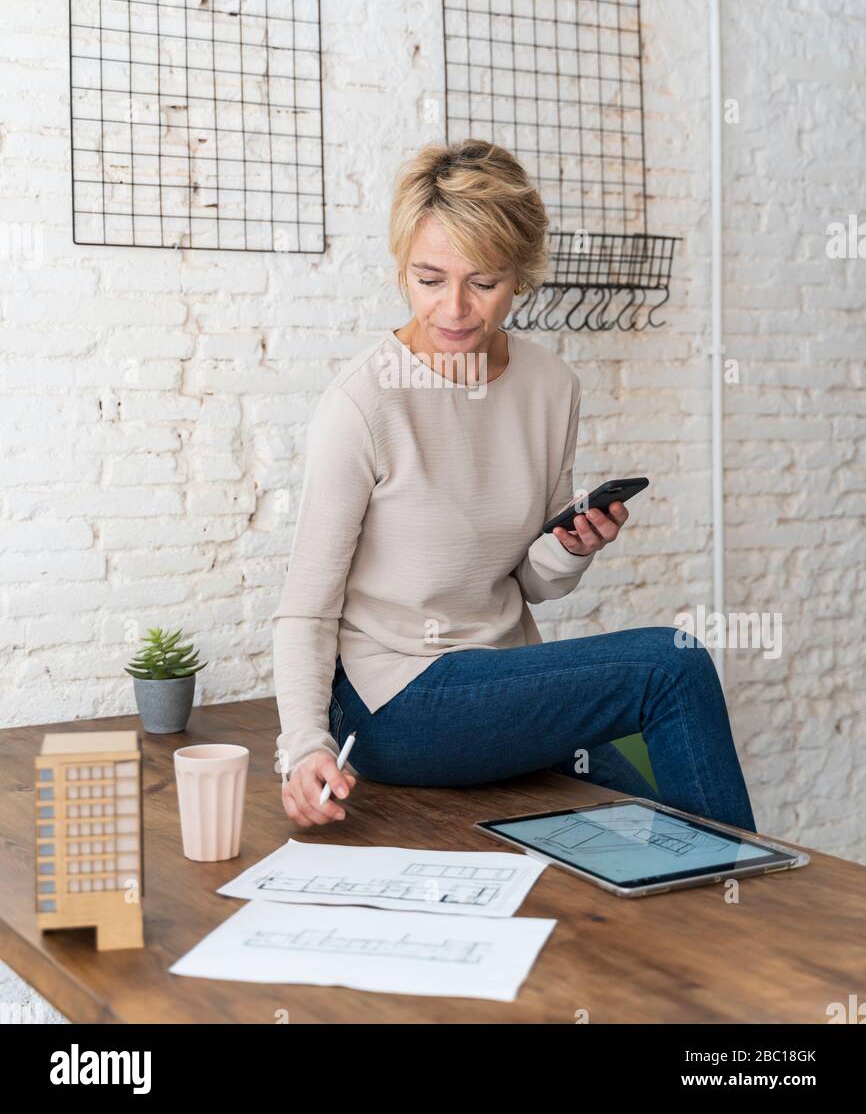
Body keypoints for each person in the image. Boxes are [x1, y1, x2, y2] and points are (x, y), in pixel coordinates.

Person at [272, 139, 757, 835]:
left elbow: (530, 582)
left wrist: (570, 548)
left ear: (521, 274)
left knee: (647, 819)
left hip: (502, 685)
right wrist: (304, 747)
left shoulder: (550, 387)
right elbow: (305, 609)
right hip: (396, 700)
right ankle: (752, 902)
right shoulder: (364, 402)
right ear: (402, 268)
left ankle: (718, 909)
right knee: (669, 666)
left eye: (484, 281)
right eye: (429, 278)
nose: (455, 309)